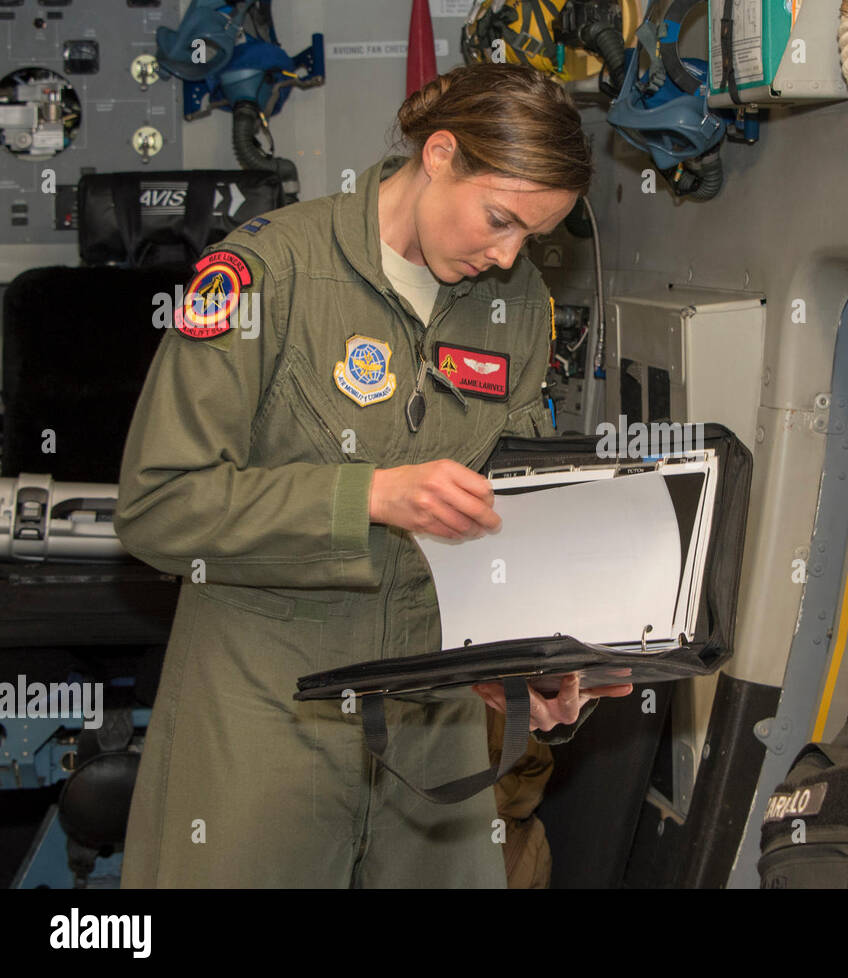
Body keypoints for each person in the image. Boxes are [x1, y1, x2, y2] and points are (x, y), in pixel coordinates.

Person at [113, 62, 632, 888]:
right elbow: (159, 506)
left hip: (436, 716)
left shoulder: (516, 304)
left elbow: (510, 508)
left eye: (530, 238)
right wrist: (370, 497)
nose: (506, 257)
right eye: (498, 219)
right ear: (438, 154)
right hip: (267, 710)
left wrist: (526, 666)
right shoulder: (265, 277)